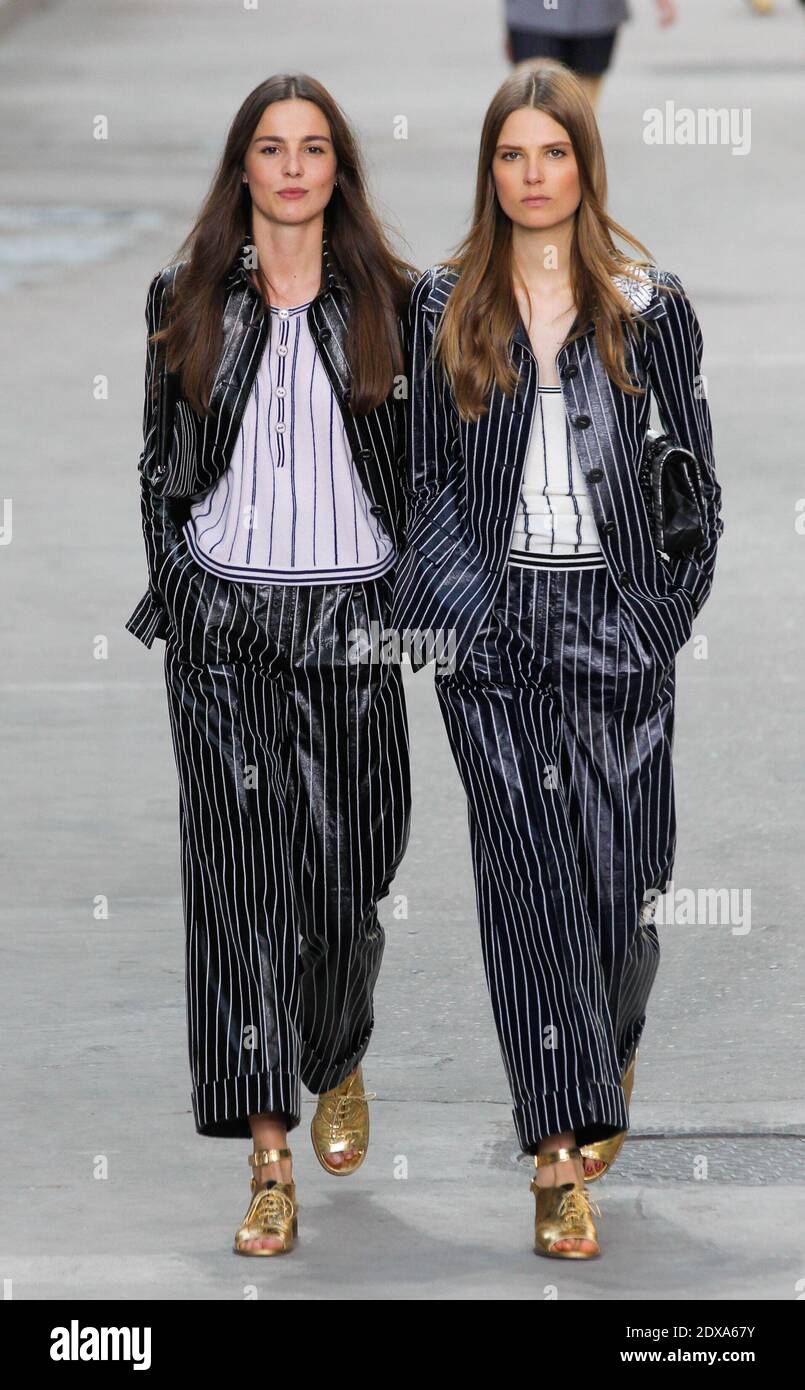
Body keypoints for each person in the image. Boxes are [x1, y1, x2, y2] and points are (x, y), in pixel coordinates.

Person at [389, 59, 723, 1258]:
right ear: (489, 171)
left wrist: (662, 612)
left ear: (585, 165)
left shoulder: (650, 302)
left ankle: (606, 1040)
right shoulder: (442, 306)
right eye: (511, 156)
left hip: (615, 622)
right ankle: (554, 1153)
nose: (532, 177)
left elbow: (693, 482)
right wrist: (460, 615)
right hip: (491, 629)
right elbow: (421, 480)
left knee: (623, 875)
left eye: (553, 154)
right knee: (526, 883)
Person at [124, 73, 415, 1256]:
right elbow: (158, 466)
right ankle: (267, 1156)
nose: (292, 167)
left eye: (313, 149)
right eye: (269, 147)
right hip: (225, 629)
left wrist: (408, 599)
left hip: (353, 624)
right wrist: (186, 591)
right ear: (240, 167)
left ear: (339, 168)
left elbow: (429, 475)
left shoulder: (394, 302)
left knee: (350, 868)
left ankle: (337, 1046)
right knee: (242, 895)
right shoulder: (185, 298)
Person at [504, 0, 677, 111]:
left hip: (596, 14)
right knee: (534, 96)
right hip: (533, 14)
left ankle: (578, 161)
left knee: (582, 107)